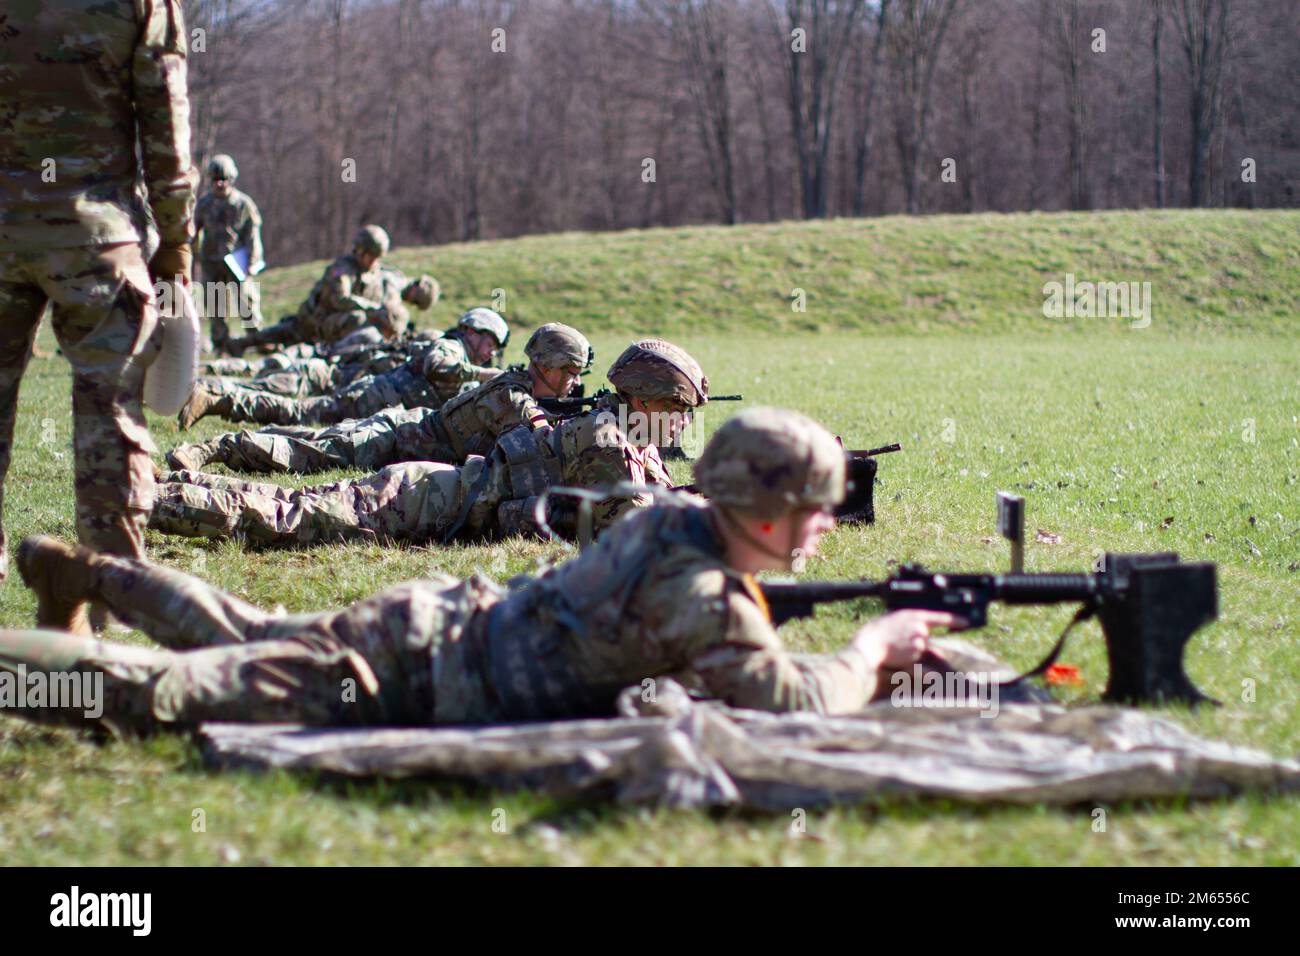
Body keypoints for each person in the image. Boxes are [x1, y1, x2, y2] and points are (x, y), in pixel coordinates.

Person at [0, 408, 957, 732]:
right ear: (761, 512)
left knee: (241, 626)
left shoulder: (668, 520)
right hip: (399, 675)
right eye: (813, 512)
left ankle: (82, 573)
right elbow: (789, 702)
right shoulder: (698, 593)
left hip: (433, 620)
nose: (827, 527)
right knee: (169, 693)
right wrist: (874, 647)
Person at [0, 1, 198, 588]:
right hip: (98, 236)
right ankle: (113, 597)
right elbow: (165, 125)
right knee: (110, 418)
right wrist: (176, 241)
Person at [148, 339, 705, 546]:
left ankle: (169, 487)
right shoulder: (608, 443)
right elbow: (637, 530)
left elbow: (652, 491)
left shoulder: (627, 434)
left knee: (298, 506)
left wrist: (695, 490)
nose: (681, 426)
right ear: (649, 402)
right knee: (291, 517)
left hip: (441, 492)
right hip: (427, 500)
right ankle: (152, 498)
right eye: (678, 412)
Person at [167, 322, 588, 472]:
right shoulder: (512, 394)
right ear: (547, 367)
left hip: (396, 423)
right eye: (569, 372)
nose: (573, 381)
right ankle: (216, 446)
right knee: (310, 450)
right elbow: (540, 433)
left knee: (309, 433)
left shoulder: (522, 387)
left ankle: (224, 415)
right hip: (393, 435)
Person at [221, 225, 398, 356]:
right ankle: (242, 343)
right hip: (317, 319)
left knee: (287, 334)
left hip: (331, 321)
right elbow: (340, 299)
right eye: (371, 257)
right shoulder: (342, 269)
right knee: (287, 332)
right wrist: (371, 308)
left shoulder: (373, 272)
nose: (374, 262)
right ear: (360, 251)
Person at [194, 154, 265, 350]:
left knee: (246, 302)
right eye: (216, 180)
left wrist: (252, 261)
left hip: (237, 261)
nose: (220, 184)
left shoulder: (244, 204)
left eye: (224, 180)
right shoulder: (203, 204)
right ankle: (221, 345)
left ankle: (257, 340)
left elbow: (253, 235)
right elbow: (192, 231)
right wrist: (195, 256)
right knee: (215, 306)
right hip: (211, 262)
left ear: (232, 179)